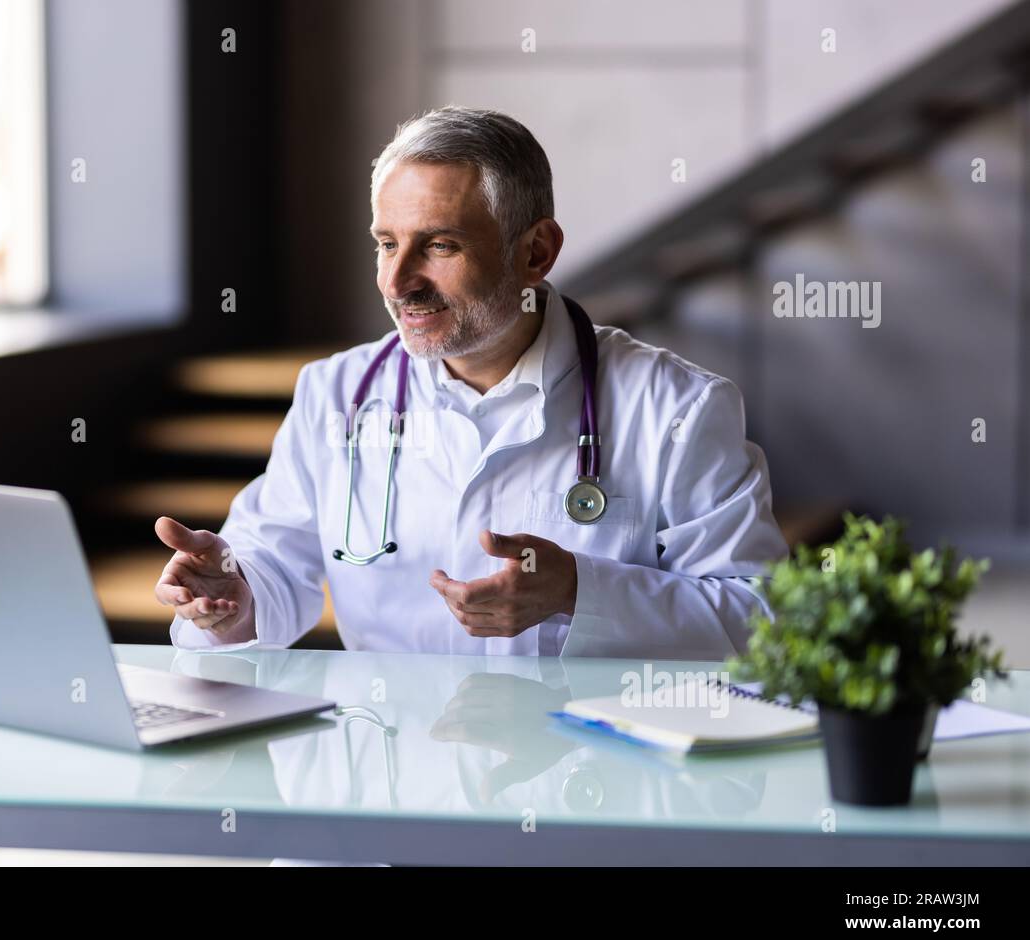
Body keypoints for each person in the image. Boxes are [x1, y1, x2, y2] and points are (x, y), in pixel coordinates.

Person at [154, 105, 789, 658]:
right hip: (395, 772)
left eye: (440, 246)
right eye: (385, 244)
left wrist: (580, 592)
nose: (398, 281)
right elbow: (270, 565)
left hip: (595, 775)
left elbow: (761, 621)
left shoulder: (676, 406)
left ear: (536, 253)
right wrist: (231, 596)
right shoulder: (336, 395)